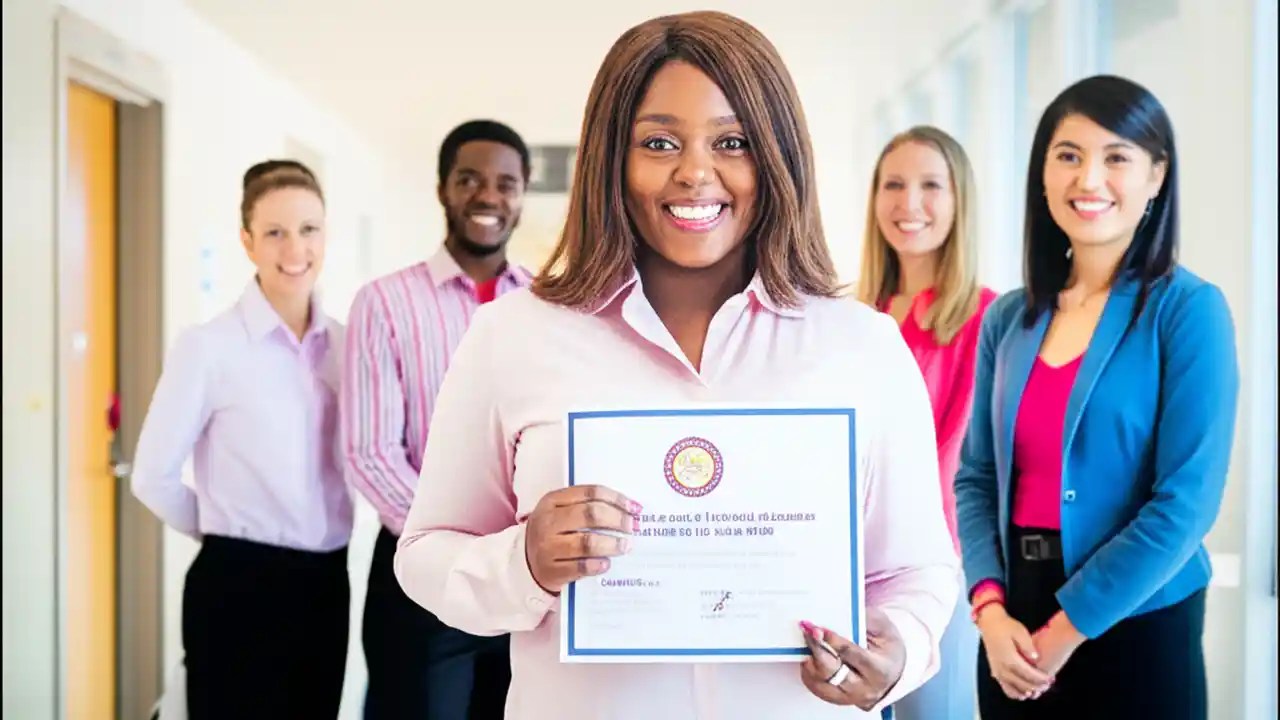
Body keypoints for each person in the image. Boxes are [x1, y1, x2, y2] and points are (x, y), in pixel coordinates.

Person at [392, 11, 958, 719]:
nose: (695, 172)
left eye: (734, 142)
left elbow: (917, 569)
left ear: (777, 158)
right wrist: (524, 563)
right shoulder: (513, 337)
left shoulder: (863, 346)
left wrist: (898, 648)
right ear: (612, 159)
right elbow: (425, 555)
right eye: (658, 142)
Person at [955, 74, 1239, 720]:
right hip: (1011, 626)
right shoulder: (1008, 319)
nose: (1089, 180)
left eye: (1117, 157)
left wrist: (1067, 630)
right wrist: (990, 609)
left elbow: (1185, 504)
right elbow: (976, 478)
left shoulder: (1188, 310)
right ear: (1044, 175)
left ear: (1156, 176)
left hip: (1136, 620)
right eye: (1069, 156)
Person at [131, 160, 351, 719]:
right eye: (275, 232)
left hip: (327, 583)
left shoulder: (348, 347)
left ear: (325, 235)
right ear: (247, 242)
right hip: (237, 585)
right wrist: (225, 531)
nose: (294, 248)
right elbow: (152, 477)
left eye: (308, 229)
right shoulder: (210, 348)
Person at [342, 120, 533, 719]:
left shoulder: (548, 305)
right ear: (443, 189)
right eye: (469, 179)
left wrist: (515, 554)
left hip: (525, 575)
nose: (487, 196)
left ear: (522, 194)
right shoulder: (384, 303)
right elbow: (369, 454)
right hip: (421, 578)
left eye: (506, 183)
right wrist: (446, 548)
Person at [857, 125, 996, 720]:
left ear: (958, 200)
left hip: (936, 569)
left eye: (930, 185)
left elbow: (956, 454)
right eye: (894, 184)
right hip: (847, 567)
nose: (909, 204)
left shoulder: (987, 317)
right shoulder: (850, 319)